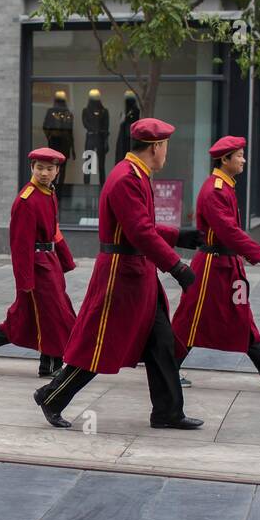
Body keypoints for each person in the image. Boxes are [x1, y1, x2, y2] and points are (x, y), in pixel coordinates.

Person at [34, 117, 201, 430]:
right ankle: (51, 396)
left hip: (137, 275)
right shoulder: (127, 178)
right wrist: (177, 267)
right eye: (166, 146)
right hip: (121, 277)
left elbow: (141, 227)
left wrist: (180, 235)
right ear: (156, 147)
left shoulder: (136, 174)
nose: (166, 153)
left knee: (162, 342)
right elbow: (140, 232)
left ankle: (167, 412)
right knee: (98, 345)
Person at [171, 136, 260, 388]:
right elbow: (228, 231)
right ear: (224, 159)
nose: (243, 159)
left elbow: (229, 233)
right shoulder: (215, 190)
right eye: (239, 155)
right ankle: (167, 368)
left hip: (223, 265)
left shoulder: (223, 186)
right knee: (191, 319)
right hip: (212, 268)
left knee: (232, 314)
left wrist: (250, 255)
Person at [0, 147, 77, 377]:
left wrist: (65, 258)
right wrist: (24, 281)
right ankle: (52, 366)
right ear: (31, 168)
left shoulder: (49, 193)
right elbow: (20, 245)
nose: (44, 173)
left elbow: (54, 231)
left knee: (42, 316)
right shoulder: (26, 200)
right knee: (54, 315)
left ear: (57, 172)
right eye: (40, 168)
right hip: (37, 266)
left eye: (50, 169)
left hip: (50, 262)